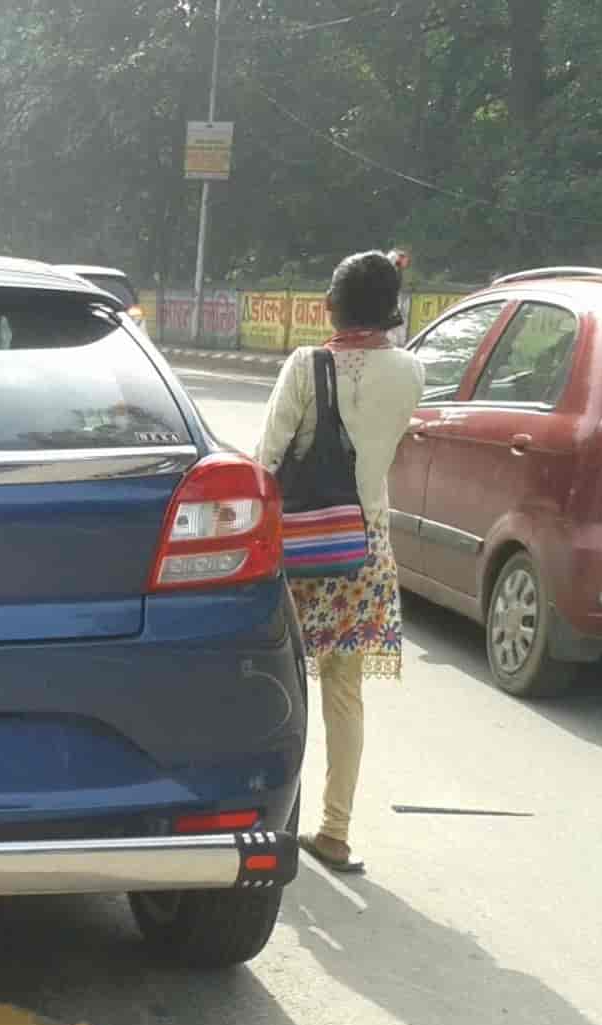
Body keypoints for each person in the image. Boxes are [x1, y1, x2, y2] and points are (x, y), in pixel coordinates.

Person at [255, 251, 425, 874]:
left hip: (296, 545)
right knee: (345, 692)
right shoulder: (411, 371)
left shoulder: (307, 365)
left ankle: (268, 818)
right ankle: (335, 831)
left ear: (331, 304)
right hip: (363, 547)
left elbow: (267, 458)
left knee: (279, 683)